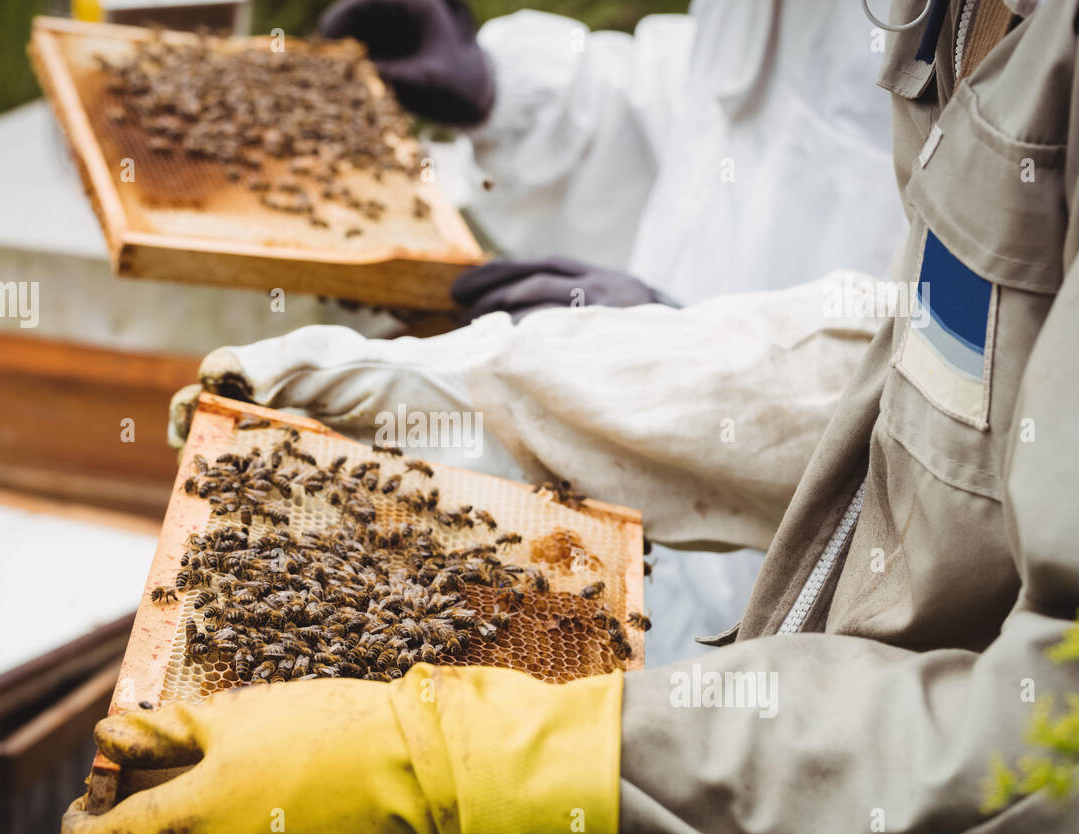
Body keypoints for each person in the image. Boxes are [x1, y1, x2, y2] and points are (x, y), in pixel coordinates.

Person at [63, 0, 1079, 834]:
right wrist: (500, 390)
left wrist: (479, 767)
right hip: (754, 673)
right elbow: (944, 358)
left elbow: (1053, 747)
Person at [170, 0, 910, 665]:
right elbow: (723, 116)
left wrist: (639, 362)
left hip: (851, 631)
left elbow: (941, 382)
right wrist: (512, 94)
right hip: (642, 572)